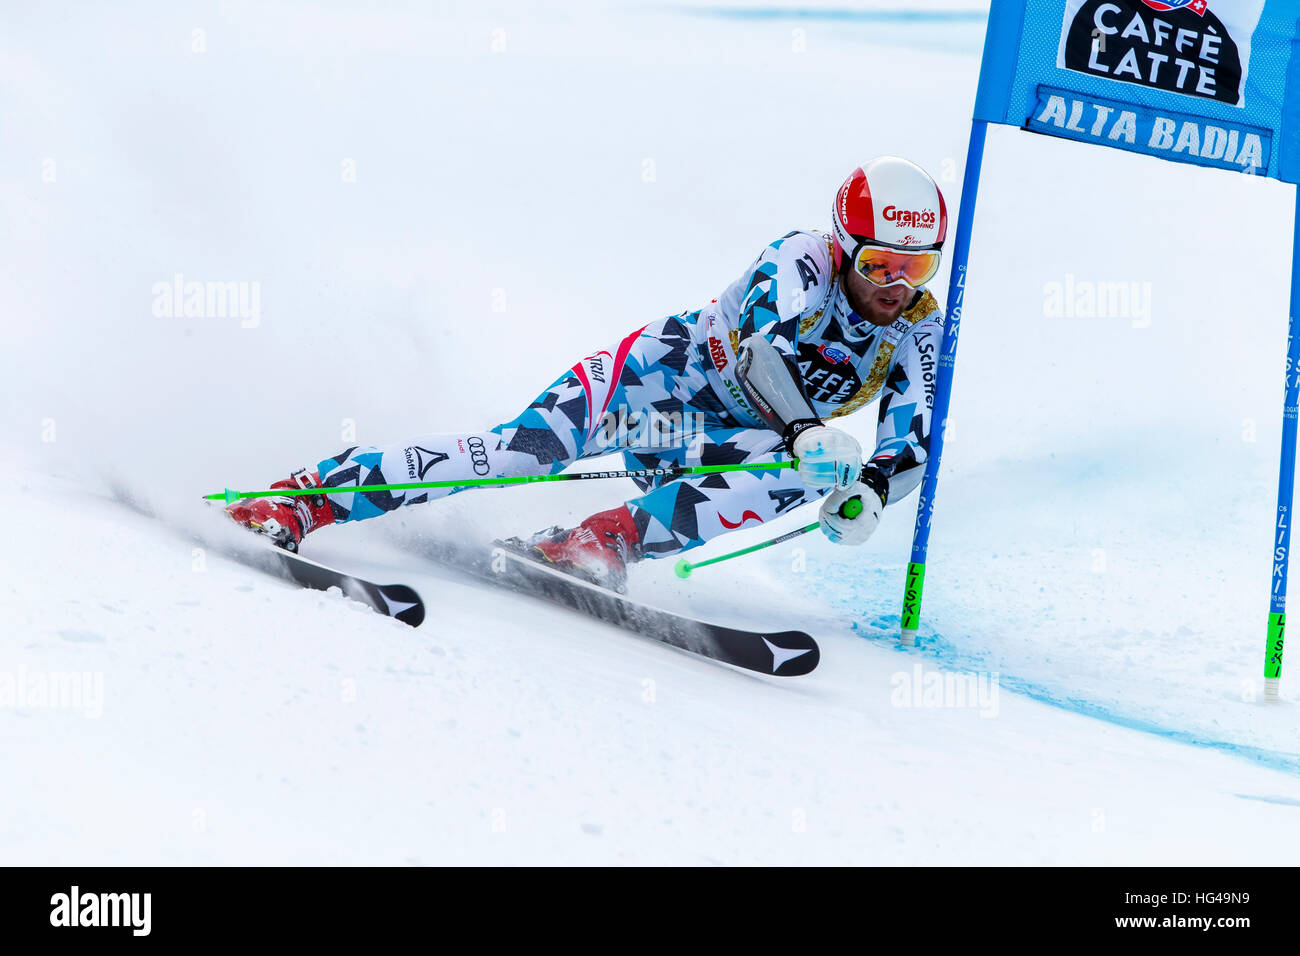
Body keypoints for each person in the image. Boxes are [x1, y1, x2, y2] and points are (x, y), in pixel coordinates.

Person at [227, 156, 948, 592]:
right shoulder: (801, 259)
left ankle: (596, 543)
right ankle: (308, 497)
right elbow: (761, 353)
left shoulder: (917, 321)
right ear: (843, 243)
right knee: (517, 455)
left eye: (916, 266)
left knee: (824, 471)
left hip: (709, 445)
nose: (895, 283)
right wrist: (805, 429)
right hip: (643, 392)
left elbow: (911, 437)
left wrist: (874, 493)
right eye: (879, 262)